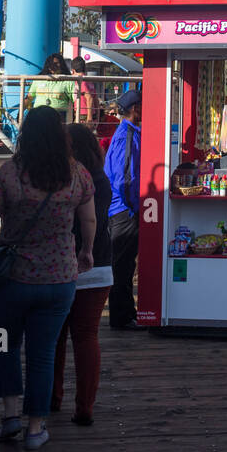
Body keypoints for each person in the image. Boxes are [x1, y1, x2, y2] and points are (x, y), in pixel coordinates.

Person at [0, 107, 95, 449]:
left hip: (9, 280)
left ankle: (10, 416)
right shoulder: (78, 175)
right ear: (61, 136)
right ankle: (36, 428)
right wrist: (87, 252)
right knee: (43, 355)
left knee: (3, 344)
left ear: (26, 135)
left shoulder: (9, 175)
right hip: (58, 282)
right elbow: (88, 221)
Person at [52, 125, 113, 425]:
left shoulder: (62, 179)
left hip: (61, 265)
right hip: (99, 266)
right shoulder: (101, 180)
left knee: (56, 337)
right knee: (87, 337)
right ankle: (85, 405)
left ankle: (52, 397)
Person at [104, 89, 144, 329]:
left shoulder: (129, 133)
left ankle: (126, 313)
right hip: (123, 210)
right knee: (122, 266)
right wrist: (133, 206)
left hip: (123, 208)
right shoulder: (126, 135)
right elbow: (124, 179)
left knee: (125, 265)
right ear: (135, 108)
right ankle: (121, 317)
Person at [27, 52, 75, 119]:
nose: (53, 66)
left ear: (61, 64)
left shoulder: (68, 80)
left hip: (58, 115)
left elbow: (76, 100)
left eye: (56, 63)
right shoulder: (39, 79)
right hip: (39, 114)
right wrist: (20, 111)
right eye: (51, 64)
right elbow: (29, 97)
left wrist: (77, 116)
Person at [70, 56, 98, 124]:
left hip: (83, 115)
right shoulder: (89, 81)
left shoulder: (80, 82)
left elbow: (89, 98)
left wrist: (89, 118)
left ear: (73, 70)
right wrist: (97, 116)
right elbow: (95, 99)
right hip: (92, 113)